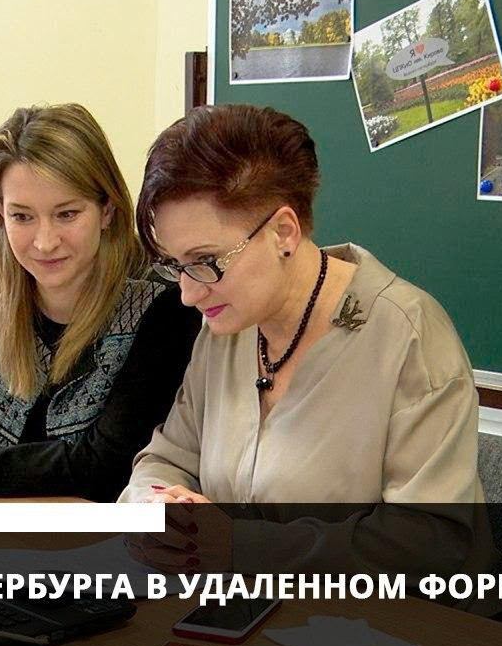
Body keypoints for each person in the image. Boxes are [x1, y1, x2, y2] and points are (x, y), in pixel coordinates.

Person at [119, 103, 483, 509]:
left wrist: (236, 540)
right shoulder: (226, 329)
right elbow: (166, 460)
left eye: (205, 261)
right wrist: (154, 506)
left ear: (283, 232)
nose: (188, 294)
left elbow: (430, 536)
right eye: (174, 264)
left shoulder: (409, 337)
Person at [0, 104, 201, 502]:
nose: (45, 242)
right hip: (2, 516)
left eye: (66, 214)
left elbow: (103, 466)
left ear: (107, 209)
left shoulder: (161, 302)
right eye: (22, 217)